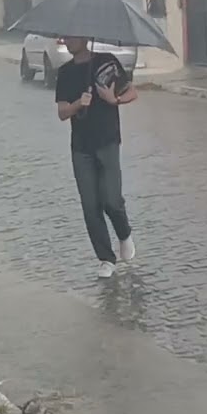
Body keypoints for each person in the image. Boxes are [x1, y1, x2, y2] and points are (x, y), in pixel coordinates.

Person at [54, 36, 138, 278]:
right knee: (90, 206)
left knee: (111, 199)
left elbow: (132, 91)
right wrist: (79, 104)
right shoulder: (66, 72)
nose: (68, 41)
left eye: (72, 37)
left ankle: (124, 233)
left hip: (108, 141)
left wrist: (115, 100)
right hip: (81, 147)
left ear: (84, 38)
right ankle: (106, 258)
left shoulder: (106, 63)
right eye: (66, 37)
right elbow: (61, 112)